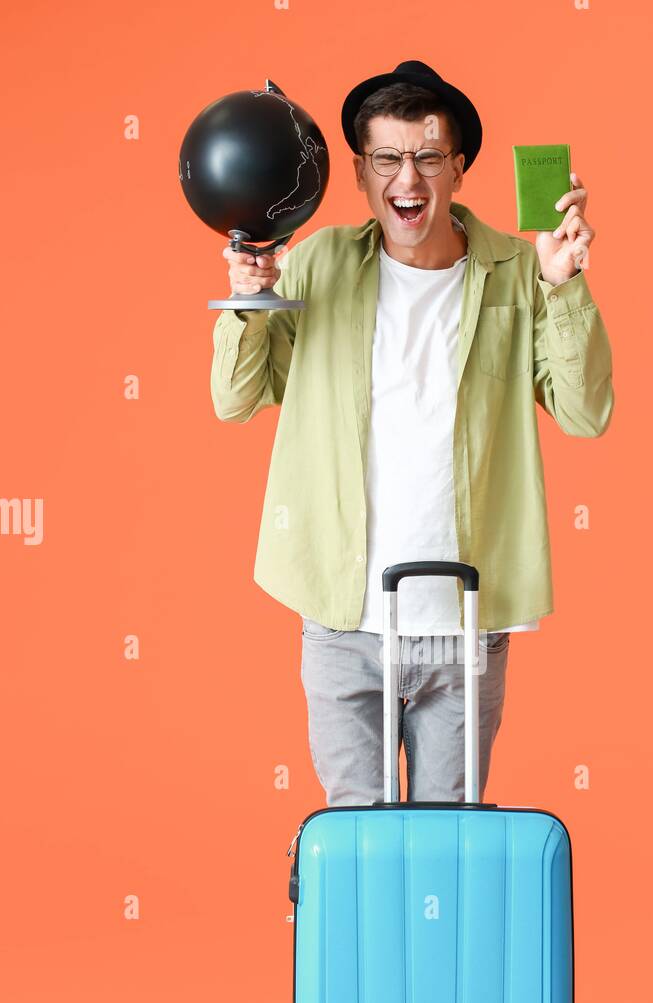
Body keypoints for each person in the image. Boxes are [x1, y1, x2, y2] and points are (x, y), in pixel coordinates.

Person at [210, 60, 614, 807]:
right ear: (362, 172)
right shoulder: (317, 263)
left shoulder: (520, 268)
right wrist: (247, 302)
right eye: (389, 159)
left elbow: (586, 413)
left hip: (466, 621)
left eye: (429, 157)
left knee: (446, 848)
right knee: (356, 845)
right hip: (342, 618)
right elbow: (237, 401)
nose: (410, 180)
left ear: (458, 168)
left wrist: (562, 286)